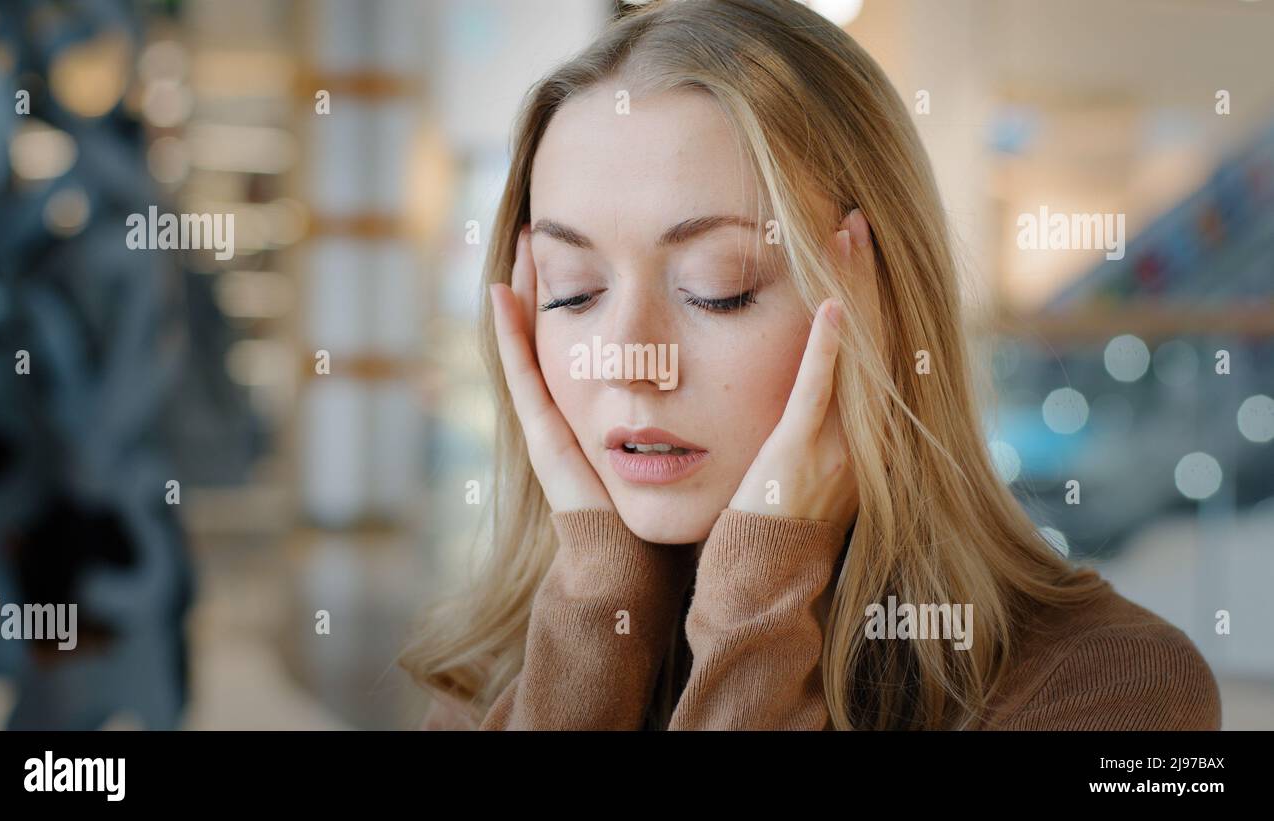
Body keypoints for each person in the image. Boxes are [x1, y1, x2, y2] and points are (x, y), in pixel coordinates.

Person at [400, 0, 1221, 730]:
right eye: (573, 293)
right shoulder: (496, 678)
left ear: (880, 309)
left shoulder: (1114, 687)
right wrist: (592, 611)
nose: (628, 361)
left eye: (717, 290)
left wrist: (758, 605)